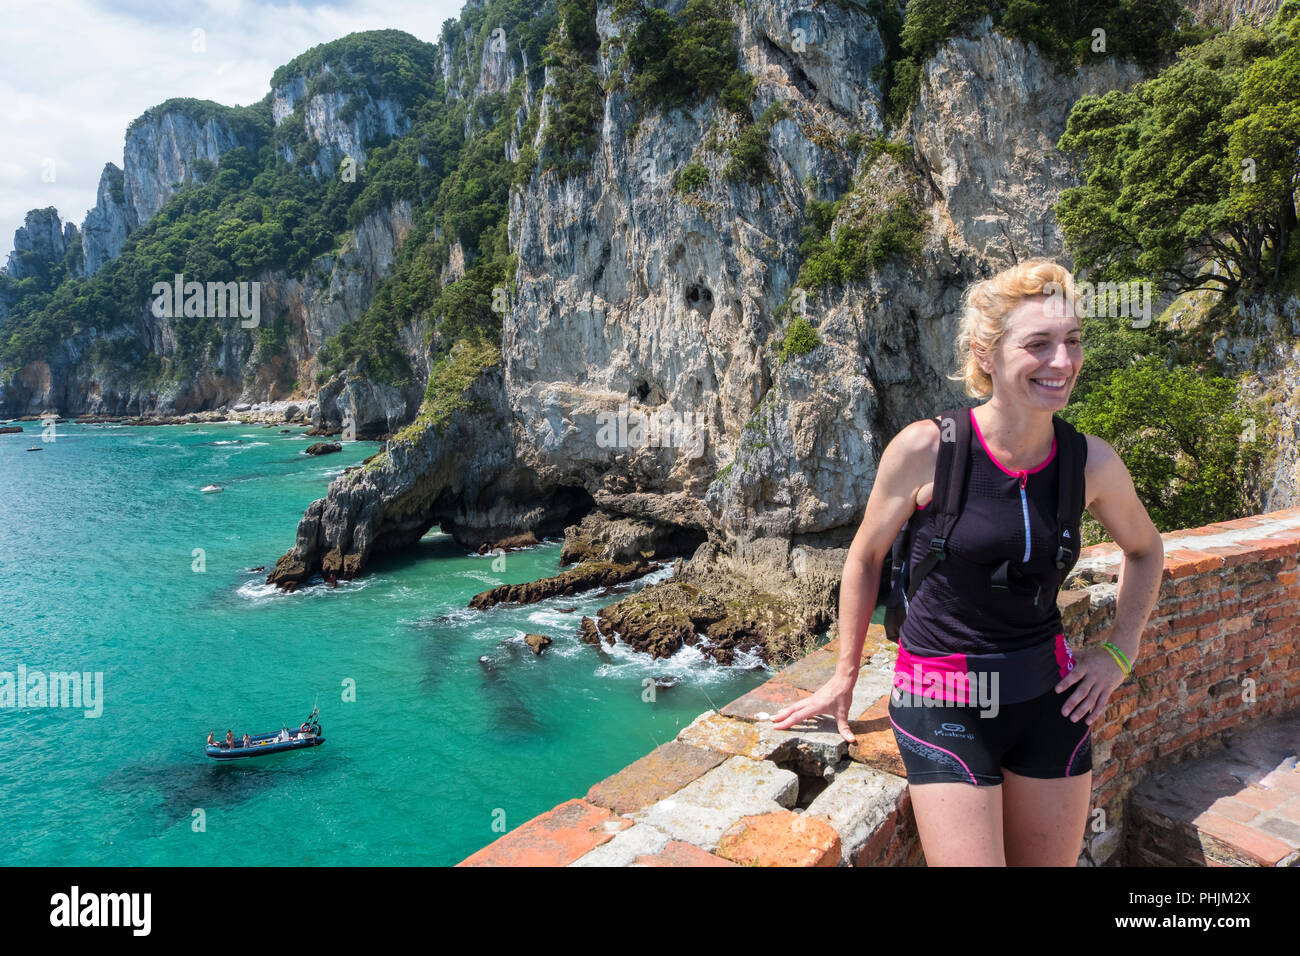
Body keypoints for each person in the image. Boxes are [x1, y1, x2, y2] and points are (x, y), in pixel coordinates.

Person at [773, 259, 1165, 866]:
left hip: (1049, 696)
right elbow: (865, 557)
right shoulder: (930, 449)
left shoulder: (1090, 464)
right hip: (941, 697)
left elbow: (1145, 549)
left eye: (1072, 341)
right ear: (985, 354)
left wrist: (1120, 650)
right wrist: (844, 673)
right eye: (1038, 344)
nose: (1062, 362)